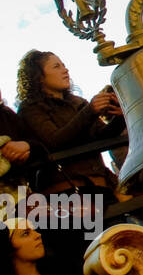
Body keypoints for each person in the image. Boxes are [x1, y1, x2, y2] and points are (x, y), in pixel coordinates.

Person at [15, 51, 123, 195]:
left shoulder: (78, 102)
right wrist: (89, 111)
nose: (65, 70)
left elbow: (103, 136)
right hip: (66, 190)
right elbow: (54, 141)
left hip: (100, 185)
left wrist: (121, 116)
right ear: (39, 77)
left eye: (64, 66)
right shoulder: (31, 108)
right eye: (56, 66)